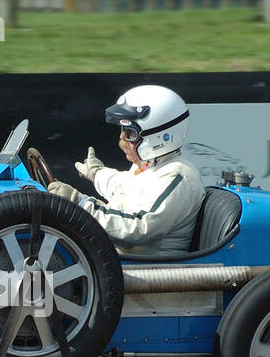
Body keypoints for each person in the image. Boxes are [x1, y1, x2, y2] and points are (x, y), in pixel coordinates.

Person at [47, 85, 205, 258]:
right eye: (123, 131)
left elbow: (136, 229)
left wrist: (79, 204)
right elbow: (123, 186)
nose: (121, 140)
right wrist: (96, 172)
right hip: (118, 263)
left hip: (148, 273)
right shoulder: (150, 166)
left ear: (160, 136)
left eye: (130, 133)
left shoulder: (177, 176)